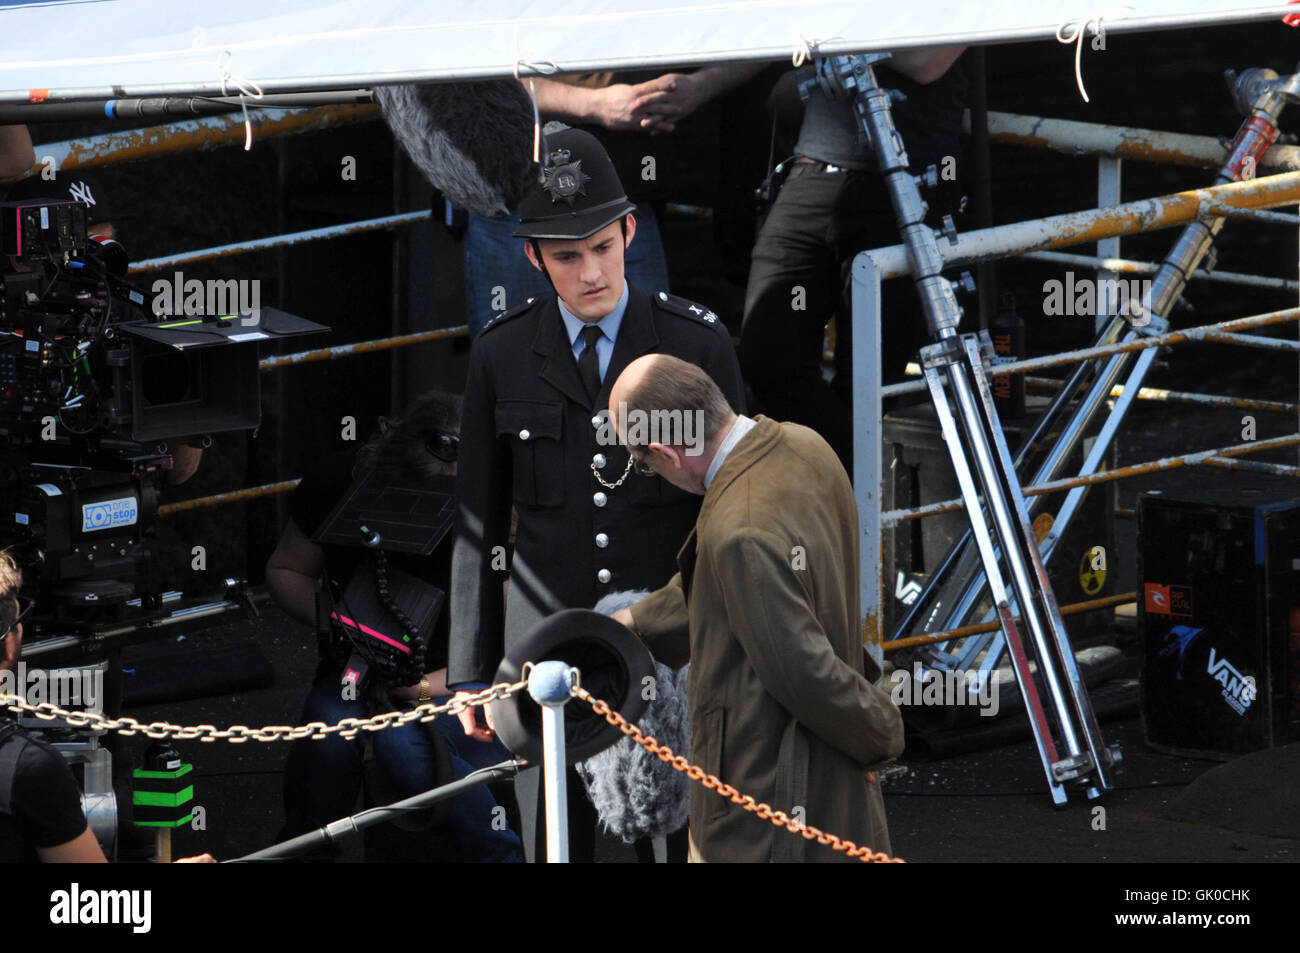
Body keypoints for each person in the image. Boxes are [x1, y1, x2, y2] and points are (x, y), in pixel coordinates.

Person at [449, 127, 745, 862]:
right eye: (567, 256)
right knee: (556, 838)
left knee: (677, 839)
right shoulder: (502, 354)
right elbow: (477, 525)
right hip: (549, 649)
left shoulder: (695, 345)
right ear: (533, 257)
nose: (590, 273)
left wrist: (733, 650)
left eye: (603, 248)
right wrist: (466, 670)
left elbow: (734, 505)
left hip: (669, 648)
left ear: (629, 233)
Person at [607, 354, 904, 863]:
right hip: (825, 783)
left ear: (665, 452)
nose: (650, 472)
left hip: (769, 801)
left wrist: (882, 733)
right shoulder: (804, 445)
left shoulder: (737, 531)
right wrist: (636, 622)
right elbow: (733, 587)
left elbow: (804, 673)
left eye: (643, 464)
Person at [265, 391, 521, 862]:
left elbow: (518, 627)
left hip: (452, 679)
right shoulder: (338, 482)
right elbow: (287, 570)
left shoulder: (500, 498)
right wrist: (343, 625)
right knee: (329, 742)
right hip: (354, 668)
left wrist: (429, 685)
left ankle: (503, 856)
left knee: (406, 751)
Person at [738, 47, 968, 472]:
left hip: (907, 186)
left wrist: (835, 31)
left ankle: (851, 509)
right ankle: (844, 490)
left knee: (870, 381)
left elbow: (927, 62)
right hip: (812, 171)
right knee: (765, 355)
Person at [462, 65, 763, 339]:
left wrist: (697, 88)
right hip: (518, 201)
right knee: (518, 366)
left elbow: (771, 33)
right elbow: (466, 65)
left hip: (627, 198)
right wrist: (594, 105)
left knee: (642, 370)